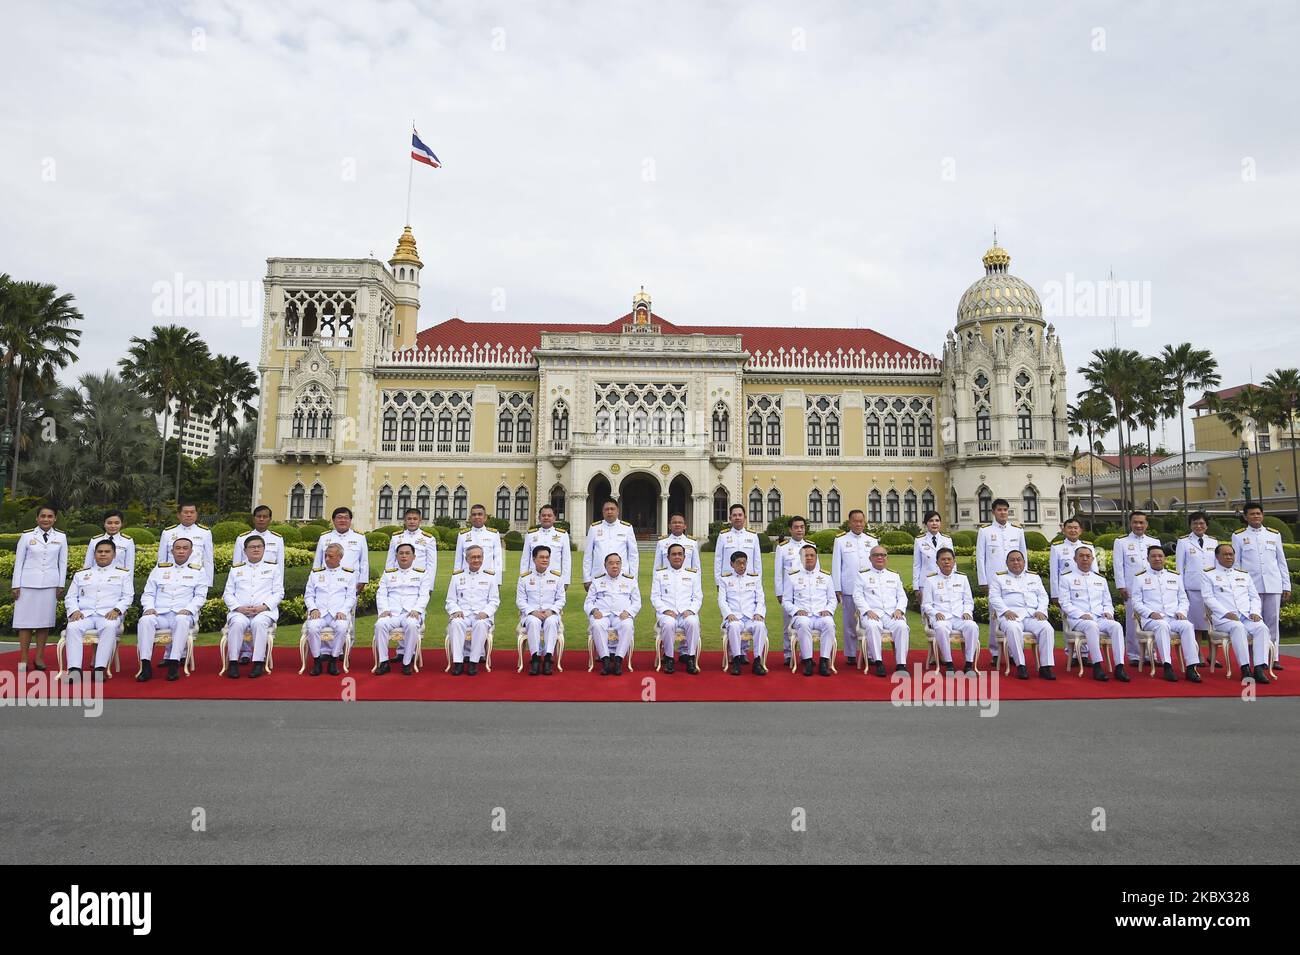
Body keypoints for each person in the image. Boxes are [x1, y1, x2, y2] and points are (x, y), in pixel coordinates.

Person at [1202, 544, 1273, 683]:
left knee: (1262, 628)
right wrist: (1226, 613)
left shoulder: (1243, 575)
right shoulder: (1209, 575)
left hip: (1246, 616)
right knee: (1237, 627)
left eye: (1231, 554)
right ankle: (1245, 668)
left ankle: (1259, 668)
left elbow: (1254, 597)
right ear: (1217, 557)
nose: (1229, 557)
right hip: (1224, 619)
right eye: (1225, 554)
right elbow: (1208, 598)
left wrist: (1255, 612)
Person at [138, 536, 206, 682]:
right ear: (172, 550)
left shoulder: (199, 571)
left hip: (183, 614)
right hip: (160, 614)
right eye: (178, 548)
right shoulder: (159, 569)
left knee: (181, 620)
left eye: (185, 548)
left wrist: (189, 609)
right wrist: (149, 608)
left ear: (191, 551)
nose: (181, 551)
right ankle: (145, 665)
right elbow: (148, 593)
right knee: (145, 620)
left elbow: (200, 596)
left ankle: (174, 664)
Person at [63, 539, 133, 682]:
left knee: (109, 627)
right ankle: (74, 670)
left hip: (108, 615)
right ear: (94, 554)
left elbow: (128, 596)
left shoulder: (123, 574)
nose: (103, 554)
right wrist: (74, 610)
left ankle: (99, 669)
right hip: (85, 615)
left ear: (114, 555)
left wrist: (117, 610)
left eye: (107, 552)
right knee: (72, 627)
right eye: (99, 552)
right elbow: (70, 596)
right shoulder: (81, 574)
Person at [1131, 544, 1202, 683]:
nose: (1157, 559)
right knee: (1162, 626)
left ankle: (1191, 667)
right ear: (1148, 558)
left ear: (1164, 558)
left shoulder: (1175, 576)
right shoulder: (1140, 578)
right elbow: (1136, 602)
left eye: (1160, 556)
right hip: (1151, 620)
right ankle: (1167, 665)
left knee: (1187, 625)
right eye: (1154, 556)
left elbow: (1183, 599)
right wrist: (1150, 613)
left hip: (1173, 617)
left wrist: (1181, 611)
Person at [1232, 504, 1289, 672]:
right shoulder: (1239, 536)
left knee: (1272, 622)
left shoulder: (1274, 534)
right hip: (1251, 586)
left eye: (1258, 513)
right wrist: (1238, 586)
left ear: (1262, 515)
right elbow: (1236, 563)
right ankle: (1256, 658)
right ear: (1245, 517)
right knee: (1253, 620)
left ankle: (1274, 657)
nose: (1255, 516)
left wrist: (1286, 584)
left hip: (1273, 583)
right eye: (1252, 514)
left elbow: (1281, 561)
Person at [1057, 544, 1126, 683]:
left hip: (1098, 617)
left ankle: (1119, 666)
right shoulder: (1066, 578)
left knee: (1116, 626)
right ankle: (1097, 665)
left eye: (1088, 556)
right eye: (1081, 556)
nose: (1085, 559)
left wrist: (1108, 612)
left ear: (1092, 559)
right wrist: (1081, 614)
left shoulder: (1100, 579)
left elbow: (1107, 602)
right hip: (1078, 619)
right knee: (1091, 626)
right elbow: (1064, 603)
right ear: (1075, 559)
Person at [11, 505, 67, 673]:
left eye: (50, 516)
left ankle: (39, 657)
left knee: (44, 623)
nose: (46, 519)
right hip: (27, 584)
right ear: (37, 518)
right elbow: (19, 561)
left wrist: (60, 584)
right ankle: (23, 658)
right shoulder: (27, 536)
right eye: (43, 516)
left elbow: (62, 562)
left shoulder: (61, 537)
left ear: (55, 518)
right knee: (25, 623)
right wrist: (16, 584)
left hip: (49, 585)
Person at [222, 535, 284, 679]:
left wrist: (264, 606)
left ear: (264, 549)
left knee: (258, 623)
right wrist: (238, 607)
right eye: (252, 547)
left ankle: (258, 662)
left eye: (259, 547)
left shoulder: (273, 568)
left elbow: (279, 593)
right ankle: (233, 663)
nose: (256, 549)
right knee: (237, 624)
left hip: (264, 611)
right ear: (245, 550)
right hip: (240, 611)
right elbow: (228, 594)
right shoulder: (236, 569)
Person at [988, 549, 1055, 680]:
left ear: (1024, 562)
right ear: (1006, 563)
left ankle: (1046, 667)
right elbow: (994, 597)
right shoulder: (999, 577)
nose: (1016, 562)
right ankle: (1021, 665)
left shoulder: (1034, 577)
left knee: (1047, 628)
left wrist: (1041, 610)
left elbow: (1043, 596)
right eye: (1012, 560)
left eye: (1019, 559)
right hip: (1011, 615)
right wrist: (1005, 611)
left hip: (1032, 615)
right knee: (1013, 629)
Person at [975, 498, 1025, 667]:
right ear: (993, 512)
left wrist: (1024, 579)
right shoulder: (985, 531)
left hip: (1015, 580)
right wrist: (983, 581)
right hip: (994, 580)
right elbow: (980, 557)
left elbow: (1023, 556)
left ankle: (1012, 651)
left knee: (1015, 614)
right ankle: (995, 652)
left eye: (1005, 510)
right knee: (995, 616)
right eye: (999, 510)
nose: (1003, 513)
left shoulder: (1017, 531)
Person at [1112, 511, 1162, 668]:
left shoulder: (1154, 541)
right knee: (1133, 621)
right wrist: (1121, 585)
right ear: (1130, 524)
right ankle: (1134, 654)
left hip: (1151, 588)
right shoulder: (1121, 542)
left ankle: (1151, 654)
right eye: (1135, 522)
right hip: (1131, 588)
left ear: (1147, 524)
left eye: (1142, 522)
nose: (1139, 525)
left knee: (1153, 620)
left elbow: (1158, 564)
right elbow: (1118, 565)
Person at [832, 509, 879, 668]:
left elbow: (877, 564)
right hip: (849, 587)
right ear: (849, 522)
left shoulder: (872, 540)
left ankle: (872, 654)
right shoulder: (841, 540)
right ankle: (851, 653)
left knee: (870, 620)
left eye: (861, 521)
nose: (858, 524)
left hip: (869, 588)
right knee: (850, 622)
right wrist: (837, 587)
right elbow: (836, 565)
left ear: (864, 522)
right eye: (855, 521)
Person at [853, 545, 909, 677]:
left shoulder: (894, 576)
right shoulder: (862, 576)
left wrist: (899, 610)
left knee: (902, 626)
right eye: (876, 555)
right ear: (870, 558)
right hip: (872, 613)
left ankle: (901, 664)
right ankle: (878, 662)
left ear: (886, 558)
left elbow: (902, 596)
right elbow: (857, 596)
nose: (879, 557)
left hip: (891, 614)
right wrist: (867, 611)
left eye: (882, 555)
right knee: (873, 626)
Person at [783, 542, 838, 677]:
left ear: (816, 557)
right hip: (802, 615)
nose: (809, 558)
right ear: (801, 558)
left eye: (812, 555)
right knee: (803, 623)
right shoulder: (792, 576)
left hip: (820, 615)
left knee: (829, 623)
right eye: (805, 555)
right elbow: (786, 601)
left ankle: (824, 661)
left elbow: (832, 599)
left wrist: (829, 610)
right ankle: (807, 661)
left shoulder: (825, 576)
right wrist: (796, 610)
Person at [921, 547, 978, 674]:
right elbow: (926, 604)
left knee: (972, 626)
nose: (946, 562)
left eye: (949, 559)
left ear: (954, 562)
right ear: (937, 562)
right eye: (943, 559)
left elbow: (968, 601)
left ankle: (969, 663)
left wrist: (967, 612)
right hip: (942, 618)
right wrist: (935, 613)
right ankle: (949, 663)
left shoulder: (962, 578)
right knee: (941, 628)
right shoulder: (930, 580)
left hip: (959, 617)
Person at [304, 542, 357, 676]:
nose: (327, 559)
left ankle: (333, 660)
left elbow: (351, 597)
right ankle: (317, 661)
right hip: (320, 613)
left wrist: (343, 611)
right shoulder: (316, 574)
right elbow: (309, 595)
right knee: (312, 627)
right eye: (326, 556)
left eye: (331, 556)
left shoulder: (349, 574)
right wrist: (313, 608)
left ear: (340, 557)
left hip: (338, 613)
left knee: (341, 627)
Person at [445, 544, 499, 676]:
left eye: (479, 557)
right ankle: (458, 662)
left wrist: (485, 613)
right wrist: (455, 610)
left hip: (481, 615)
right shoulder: (457, 577)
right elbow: (450, 600)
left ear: (483, 558)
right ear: (467, 559)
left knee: (480, 624)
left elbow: (494, 600)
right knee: (456, 623)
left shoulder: (490, 576)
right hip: (463, 614)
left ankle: (473, 662)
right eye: (473, 557)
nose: (476, 560)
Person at [650, 542, 702, 674]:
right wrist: (665, 610)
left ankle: (690, 658)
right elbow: (655, 597)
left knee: (693, 622)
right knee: (668, 623)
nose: (677, 557)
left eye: (680, 554)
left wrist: (691, 610)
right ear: (668, 557)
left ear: (684, 557)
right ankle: (669, 658)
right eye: (673, 554)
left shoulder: (693, 574)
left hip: (686, 612)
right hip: (667, 613)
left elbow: (697, 597)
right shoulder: (660, 574)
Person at [584, 552, 639, 675]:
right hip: (602, 615)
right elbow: (588, 602)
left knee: (628, 626)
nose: (615, 566)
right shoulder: (597, 580)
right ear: (605, 565)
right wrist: (594, 610)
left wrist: (629, 612)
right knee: (597, 625)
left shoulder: (630, 580)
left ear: (621, 565)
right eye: (611, 563)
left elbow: (637, 602)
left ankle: (619, 660)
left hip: (621, 615)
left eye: (618, 563)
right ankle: (606, 660)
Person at [1175, 510, 1218, 666]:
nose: (1198, 526)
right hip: (1192, 589)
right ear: (1190, 525)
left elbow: (1217, 566)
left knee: (1213, 625)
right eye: (1195, 523)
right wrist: (1180, 590)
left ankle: (1213, 656)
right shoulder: (1184, 542)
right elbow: (1179, 568)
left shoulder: (1214, 542)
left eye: (1201, 523)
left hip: (1212, 590)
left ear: (1206, 526)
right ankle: (1197, 654)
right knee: (1196, 626)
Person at [517, 544, 566, 675]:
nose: (545, 560)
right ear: (534, 559)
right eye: (541, 557)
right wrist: (533, 612)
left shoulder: (557, 577)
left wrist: (551, 611)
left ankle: (548, 658)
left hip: (551, 613)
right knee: (533, 622)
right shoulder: (524, 578)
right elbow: (520, 601)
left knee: (551, 622)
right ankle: (535, 659)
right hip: (532, 613)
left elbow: (561, 599)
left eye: (547, 557)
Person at [1050, 516, 1093, 667]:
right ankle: (1072, 654)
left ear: (1081, 530)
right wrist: (1055, 594)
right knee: (1068, 622)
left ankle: (1086, 654)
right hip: (1067, 591)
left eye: (1076, 528)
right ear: (1064, 530)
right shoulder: (1057, 547)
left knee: (1087, 619)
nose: (1073, 530)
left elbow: (1094, 571)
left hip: (1086, 590)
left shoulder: (1089, 546)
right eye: (1070, 528)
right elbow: (1054, 572)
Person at [718, 551, 768, 676]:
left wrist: (759, 613)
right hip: (734, 616)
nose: (742, 566)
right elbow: (722, 600)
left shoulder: (754, 578)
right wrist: (728, 614)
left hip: (751, 616)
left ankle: (757, 660)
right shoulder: (725, 579)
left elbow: (760, 599)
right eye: (738, 563)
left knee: (760, 625)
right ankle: (736, 659)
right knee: (734, 626)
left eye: (744, 563)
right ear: (731, 564)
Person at [774, 515, 811, 666]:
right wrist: (779, 592)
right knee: (788, 624)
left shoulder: (810, 546)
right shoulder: (783, 548)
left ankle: (804, 654)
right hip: (789, 593)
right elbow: (778, 572)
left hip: (806, 592)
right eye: (796, 527)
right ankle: (788, 654)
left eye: (802, 527)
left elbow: (816, 569)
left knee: (806, 622)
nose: (799, 530)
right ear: (790, 529)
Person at [582, 498, 637, 588]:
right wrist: (586, 578)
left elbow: (633, 555)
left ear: (618, 511)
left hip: (622, 575)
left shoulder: (627, 528)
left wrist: (633, 577)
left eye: (612, 509)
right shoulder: (594, 528)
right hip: (599, 575)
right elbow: (587, 555)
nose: (609, 511)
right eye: (606, 509)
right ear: (603, 512)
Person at [314, 506, 369, 593]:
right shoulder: (324, 537)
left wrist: (363, 581)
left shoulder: (359, 537)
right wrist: (315, 578)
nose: (343, 520)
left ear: (350, 520)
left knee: (349, 605)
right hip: (328, 580)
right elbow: (317, 561)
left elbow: (364, 561)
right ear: (333, 520)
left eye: (346, 518)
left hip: (351, 581)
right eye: (339, 517)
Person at [159, 501, 214, 587]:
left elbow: (208, 560)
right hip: (172, 577)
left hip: (195, 577)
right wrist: (160, 579)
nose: (189, 515)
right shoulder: (168, 533)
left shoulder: (205, 533)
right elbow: (162, 560)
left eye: (192, 512)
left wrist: (208, 583)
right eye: (185, 512)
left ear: (196, 514)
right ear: (178, 515)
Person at [521, 505, 572, 586]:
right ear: (539, 518)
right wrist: (523, 578)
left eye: (549, 515)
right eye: (543, 515)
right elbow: (525, 559)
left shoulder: (562, 535)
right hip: (533, 578)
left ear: (554, 518)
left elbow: (566, 560)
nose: (546, 518)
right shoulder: (531, 534)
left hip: (554, 578)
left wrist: (565, 581)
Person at [454, 503, 503, 587]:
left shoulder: (494, 534)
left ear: (485, 517)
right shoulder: (462, 535)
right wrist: (456, 578)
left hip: (487, 578)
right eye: (474, 515)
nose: (477, 517)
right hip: (467, 578)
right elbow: (458, 560)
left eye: (480, 514)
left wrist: (498, 581)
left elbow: (498, 559)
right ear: (470, 518)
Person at [234, 506, 285, 586]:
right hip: (247, 581)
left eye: (265, 517)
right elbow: (236, 564)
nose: (261, 519)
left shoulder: (277, 539)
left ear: (270, 519)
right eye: (258, 516)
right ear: (254, 519)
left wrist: (279, 586)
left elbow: (280, 566)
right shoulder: (242, 538)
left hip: (268, 581)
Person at [714, 504, 761, 587]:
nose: (737, 518)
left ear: (745, 517)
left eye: (740, 515)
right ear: (730, 518)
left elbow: (757, 561)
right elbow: (718, 560)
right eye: (734, 515)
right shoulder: (723, 536)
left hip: (748, 580)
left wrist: (758, 581)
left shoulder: (753, 536)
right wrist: (718, 582)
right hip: (728, 580)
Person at [387, 507, 438, 582]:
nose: (412, 521)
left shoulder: (429, 539)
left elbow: (431, 565)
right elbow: (390, 561)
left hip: (418, 580)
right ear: (405, 520)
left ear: (420, 521)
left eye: (415, 519)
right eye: (409, 519)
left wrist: (429, 586)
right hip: (398, 579)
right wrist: (388, 580)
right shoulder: (396, 538)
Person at [912, 510, 953, 598]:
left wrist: (953, 580)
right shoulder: (919, 540)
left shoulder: (947, 540)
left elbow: (953, 563)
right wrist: (916, 587)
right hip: (926, 582)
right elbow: (917, 565)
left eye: (937, 521)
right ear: (926, 523)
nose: (934, 523)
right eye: (931, 521)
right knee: (927, 609)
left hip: (944, 581)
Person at [83, 509, 135, 575]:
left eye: (117, 523)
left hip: (118, 579)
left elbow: (129, 567)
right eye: (109, 523)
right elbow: (88, 564)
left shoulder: (127, 541)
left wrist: (128, 584)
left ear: (121, 524)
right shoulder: (95, 541)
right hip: (97, 578)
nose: (113, 526)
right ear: (104, 524)